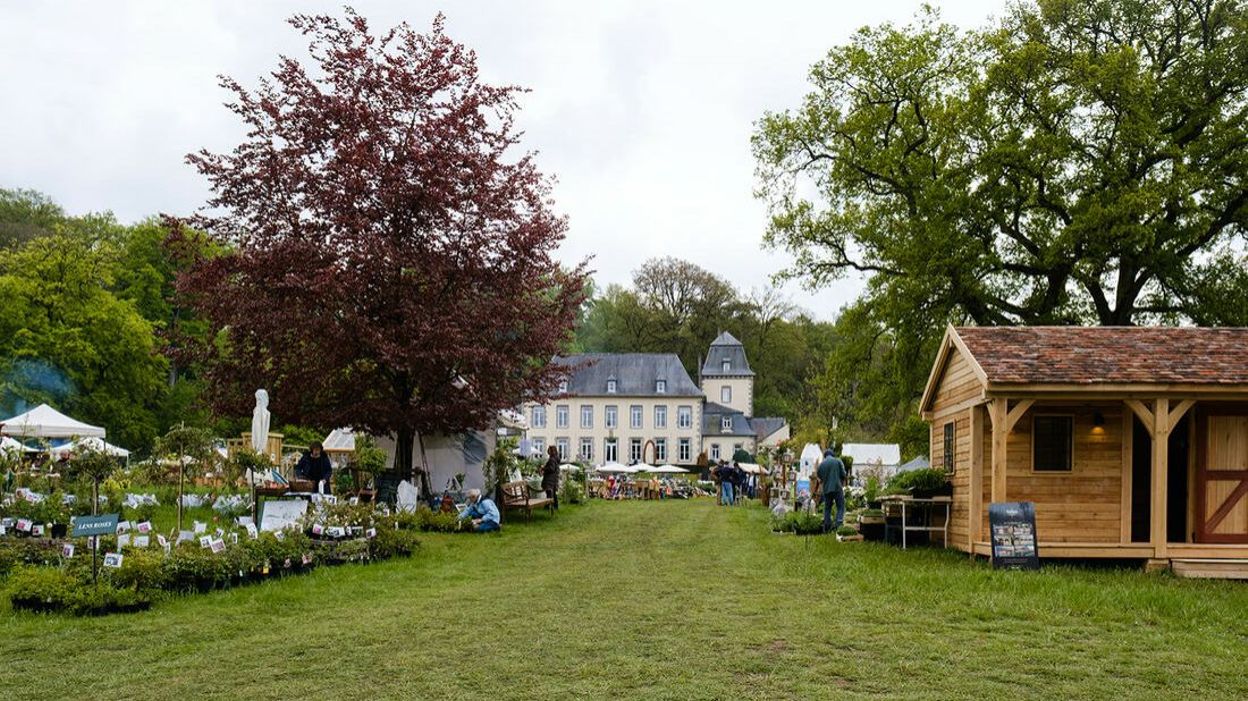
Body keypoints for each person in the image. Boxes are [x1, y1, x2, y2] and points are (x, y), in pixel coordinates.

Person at [816, 447, 847, 533]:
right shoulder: (837, 461)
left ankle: (827, 526)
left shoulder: (821, 465)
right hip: (837, 487)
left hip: (826, 489)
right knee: (840, 506)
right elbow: (844, 474)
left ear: (825, 456)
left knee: (827, 508)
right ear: (832, 455)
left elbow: (819, 478)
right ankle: (838, 524)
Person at [541, 446, 560, 510]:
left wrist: (543, 468)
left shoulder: (552, 459)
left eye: (548, 450)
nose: (547, 451)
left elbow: (551, 468)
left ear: (552, 451)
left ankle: (549, 506)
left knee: (549, 493)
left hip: (549, 479)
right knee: (553, 493)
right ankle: (554, 506)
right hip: (553, 479)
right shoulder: (555, 458)